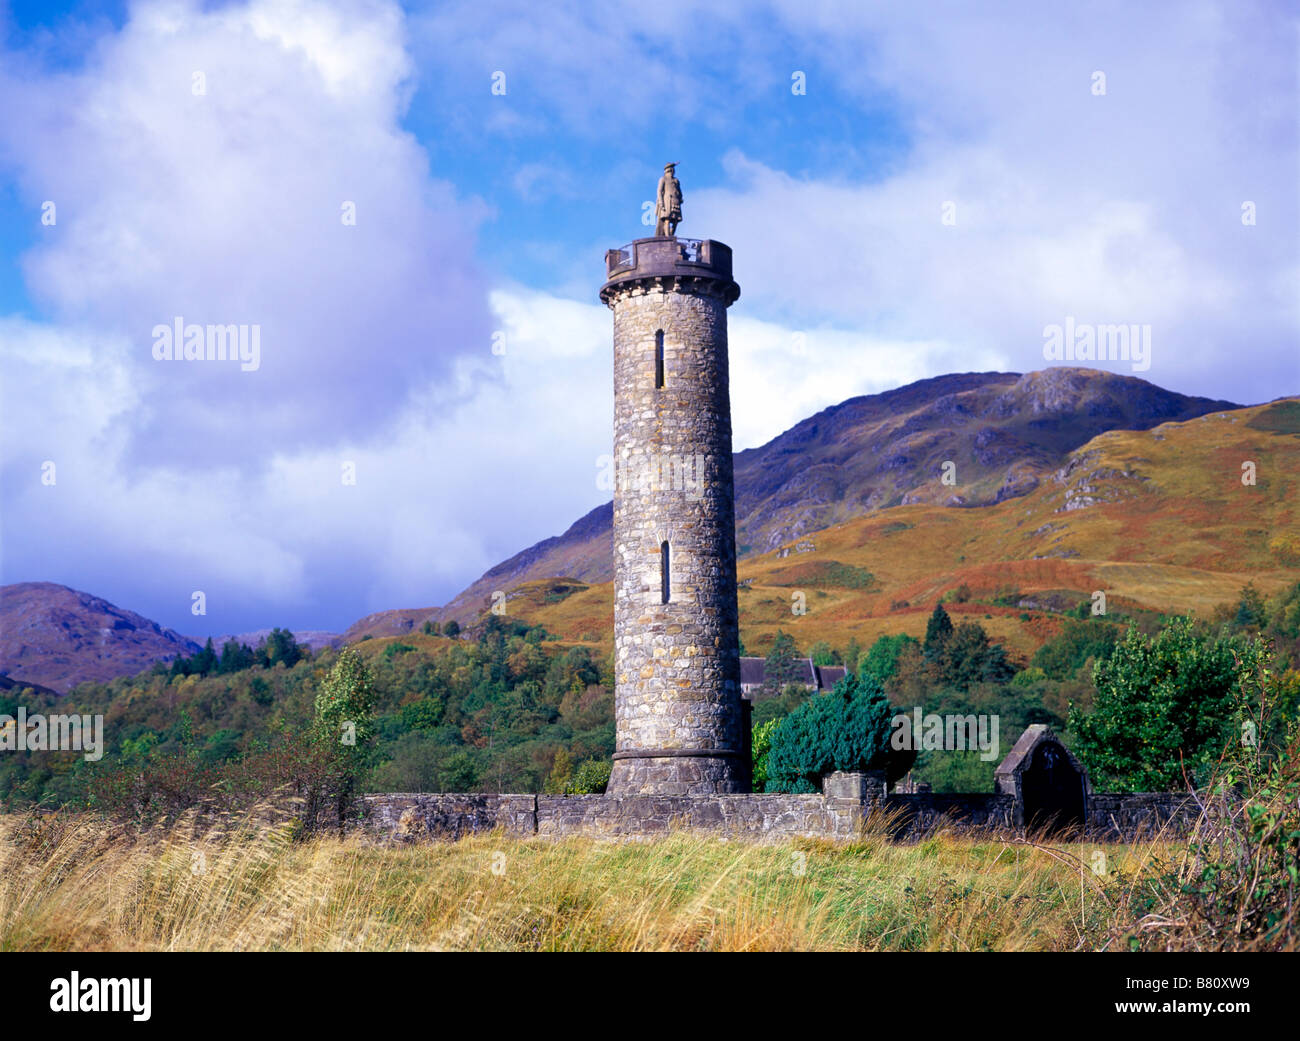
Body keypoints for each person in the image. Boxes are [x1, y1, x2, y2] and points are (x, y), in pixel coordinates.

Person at [655, 162, 682, 237]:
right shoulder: (663, 179)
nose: (674, 171)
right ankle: (667, 236)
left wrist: (680, 198)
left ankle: (671, 235)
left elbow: (679, 191)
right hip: (667, 201)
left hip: (675, 201)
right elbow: (659, 191)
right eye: (673, 169)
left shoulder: (676, 181)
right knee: (667, 219)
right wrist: (661, 202)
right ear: (670, 170)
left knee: (676, 221)